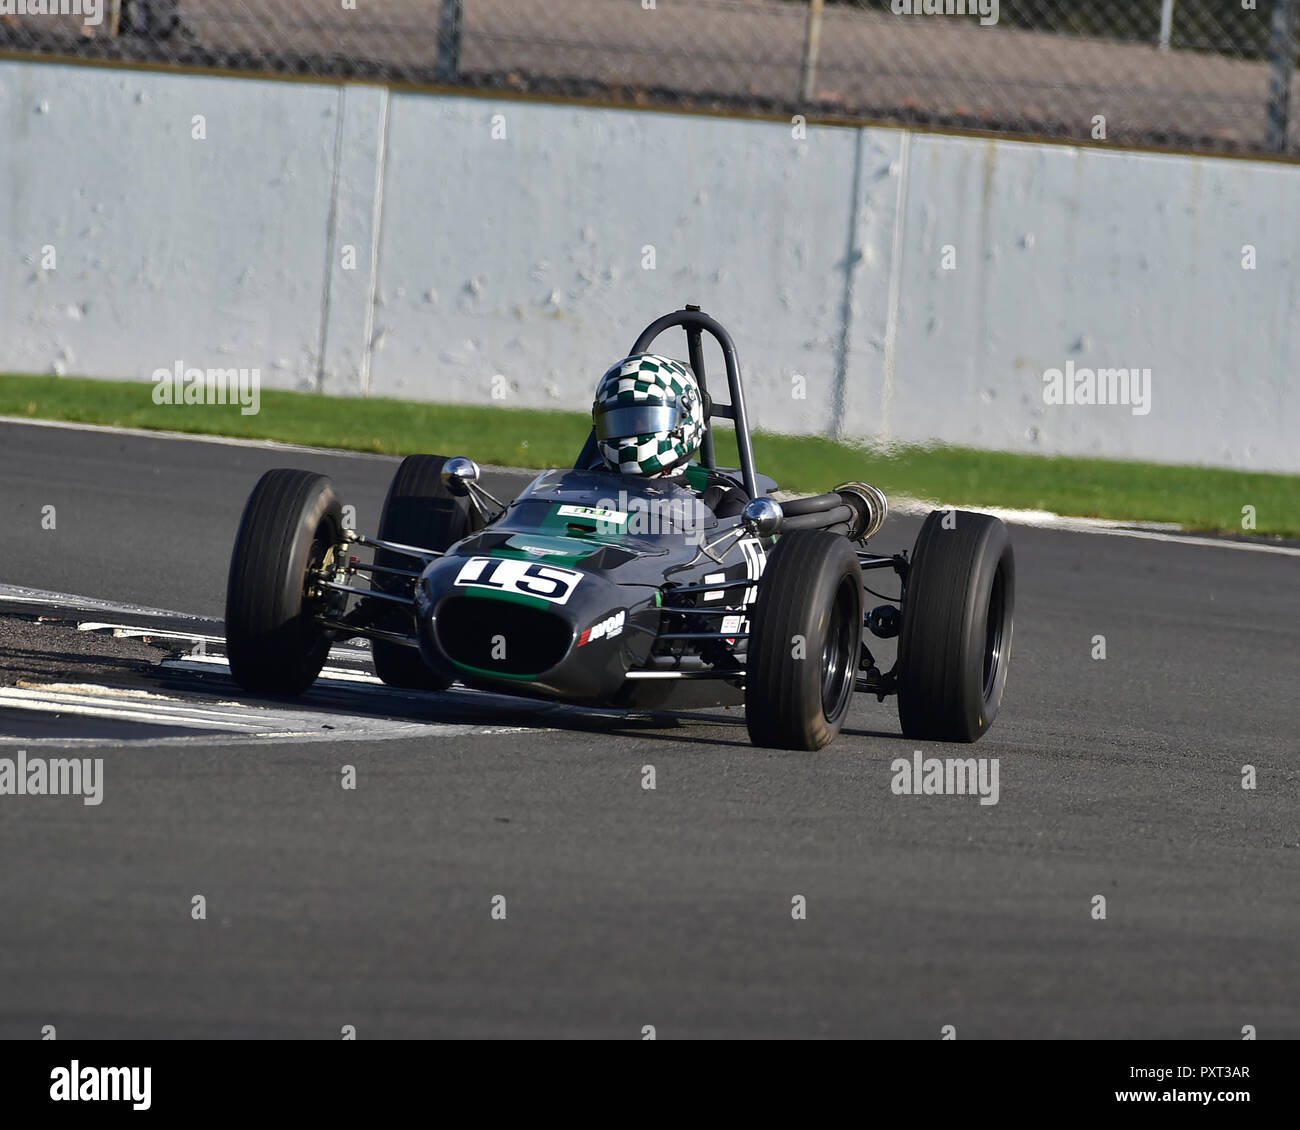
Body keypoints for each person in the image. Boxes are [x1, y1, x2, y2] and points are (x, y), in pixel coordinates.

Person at [591, 353, 748, 517]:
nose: (632, 430)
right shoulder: (585, 485)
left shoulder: (718, 501)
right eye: (620, 421)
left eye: (646, 420)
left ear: (686, 418)